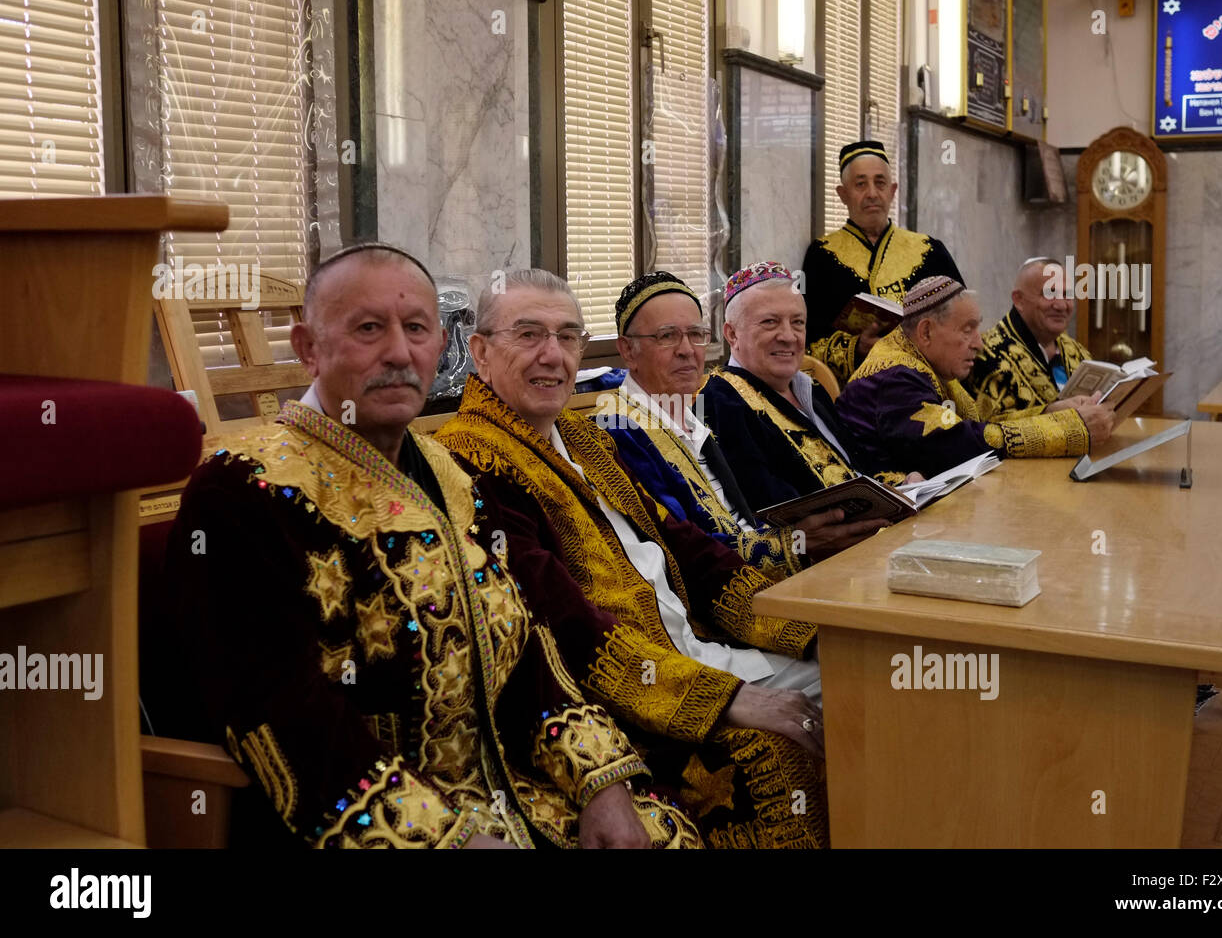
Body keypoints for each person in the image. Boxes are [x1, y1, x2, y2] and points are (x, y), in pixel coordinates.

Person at [167, 243, 698, 850]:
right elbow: (283, 714)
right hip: (367, 822)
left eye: (417, 329)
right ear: (308, 348)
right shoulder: (243, 491)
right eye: (369, 329)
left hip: (519, 792)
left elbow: (529, 654)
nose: (399, 353)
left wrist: (600, 784)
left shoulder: (453, 473)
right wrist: (455, 842)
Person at [435, 268, 830, 849]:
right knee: (800, 727)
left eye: (567, 337)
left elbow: (690, 550)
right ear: (480, 351)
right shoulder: (470, 463)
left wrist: (812, 632)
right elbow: (557, 622)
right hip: (628, 700)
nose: (552, 355)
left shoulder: (582, 437)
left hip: (700, 649)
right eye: (528, 335)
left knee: (867, 671)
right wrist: (726, 700)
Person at [596, 271, 881, 578]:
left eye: (696, 334)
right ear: (627, 350)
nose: (687, 350)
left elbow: (743, 524)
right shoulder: (619, 432)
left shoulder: (690, 415)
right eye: (667, 336)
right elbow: (684, 552)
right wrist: (797, 544)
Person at [837, 275, 1115, 482]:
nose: (979, 343)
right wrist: (1068, 430)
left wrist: (1053, 411)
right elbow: (956, 443)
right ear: (926, 332)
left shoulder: (924, 361)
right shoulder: (896, 376)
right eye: (967, 330)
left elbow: (979, 426)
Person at [696, 262, 881, 516]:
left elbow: (857, 465)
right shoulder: (721, 402)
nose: (788, 336)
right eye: (770, 322)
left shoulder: (811, 388)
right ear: (732, 334)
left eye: (797, 323)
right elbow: (770, 509)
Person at [801, 140, 964, 385]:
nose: (872, 194)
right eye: (860, 184)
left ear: (892, 190)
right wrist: (856, 349)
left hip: (927, 388)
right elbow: (805, 340)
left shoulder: (930, 250)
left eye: (880, 183)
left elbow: (962, 322)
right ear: (842, 194)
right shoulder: (821, 256)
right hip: (853, 395)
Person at [966, 257, 1095, 418]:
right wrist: (1052, 415)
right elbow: (982, 431)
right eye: (1050, 293)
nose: (1061, 305)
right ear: (1019, 300)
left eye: (1067, 294)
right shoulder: (986, 355)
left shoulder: (1077, 352)